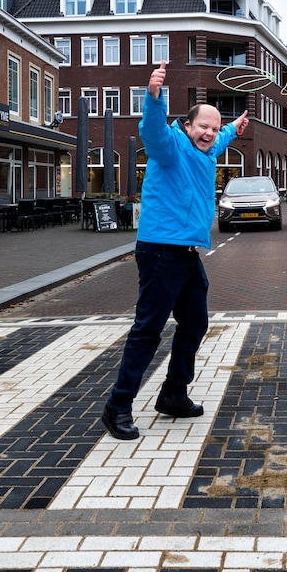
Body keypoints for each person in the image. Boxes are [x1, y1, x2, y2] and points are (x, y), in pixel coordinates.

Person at [101, 61, 249, 440]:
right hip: (160, 251)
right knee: (148, 329)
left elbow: (220, 139)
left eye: (215, 129)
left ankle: (172, 395)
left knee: (195, 323)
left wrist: (234, 128)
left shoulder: (208, 150)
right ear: (187, 125)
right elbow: (151, 131)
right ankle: (118, 406)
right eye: (203, 126)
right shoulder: (169, 147)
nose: (209, 134)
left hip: (186, 254)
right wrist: (154, 98)